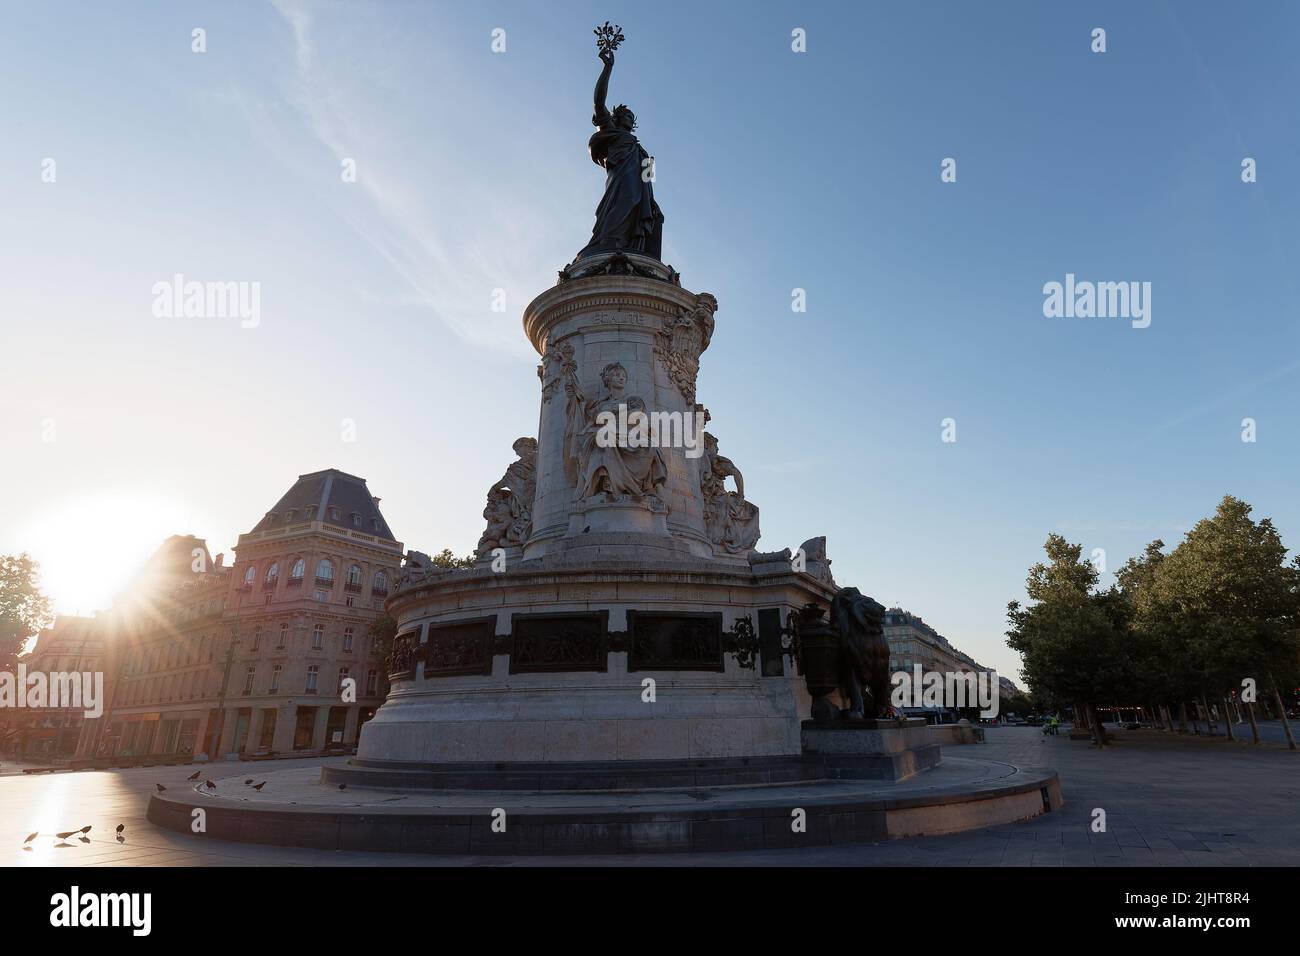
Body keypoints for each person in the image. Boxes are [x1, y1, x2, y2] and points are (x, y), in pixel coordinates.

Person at [575, 48, 664, 261]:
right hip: (621, 181)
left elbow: (650, 178)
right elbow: (598, 101)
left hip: (641, 189)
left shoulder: (642, 150)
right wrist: (608, 68)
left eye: (632, 118)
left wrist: (650, 201)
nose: (630, 119)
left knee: (645, 211)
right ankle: (608, 242)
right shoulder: (611, 132)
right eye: (627, 115)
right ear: (617, 117)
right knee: (620, 206)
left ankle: (635, 248)